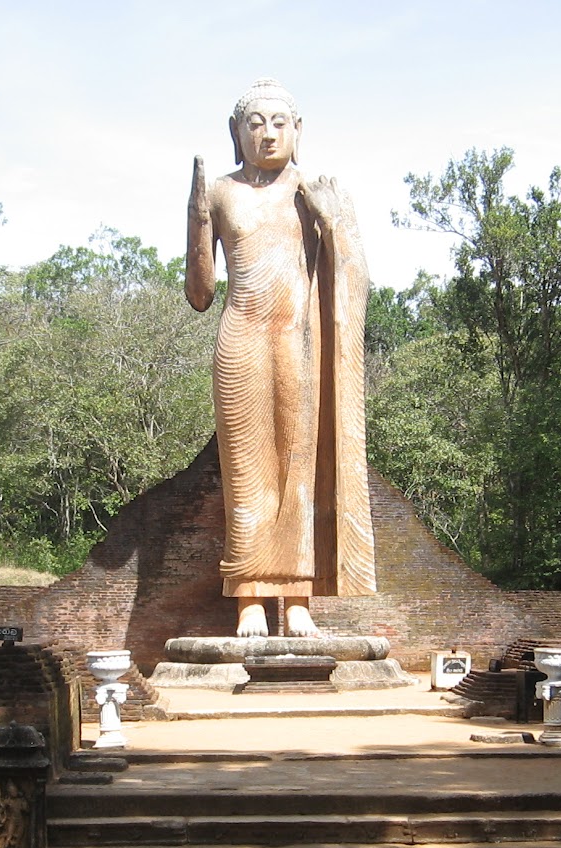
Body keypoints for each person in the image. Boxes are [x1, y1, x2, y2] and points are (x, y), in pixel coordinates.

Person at [185, 78, 377, 638]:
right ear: (235, 131)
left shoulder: (313, 191)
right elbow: (200, 294)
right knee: (245, 473)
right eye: (255, 123)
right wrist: (198, 218)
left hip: (299, 342)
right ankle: (249, 596)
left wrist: (334, 222)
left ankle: (296, 599)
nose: (267, 134)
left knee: (299, 472)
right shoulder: (220, 193)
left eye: (278, 123)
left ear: (298, 130)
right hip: (242, 339)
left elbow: (354, 274)